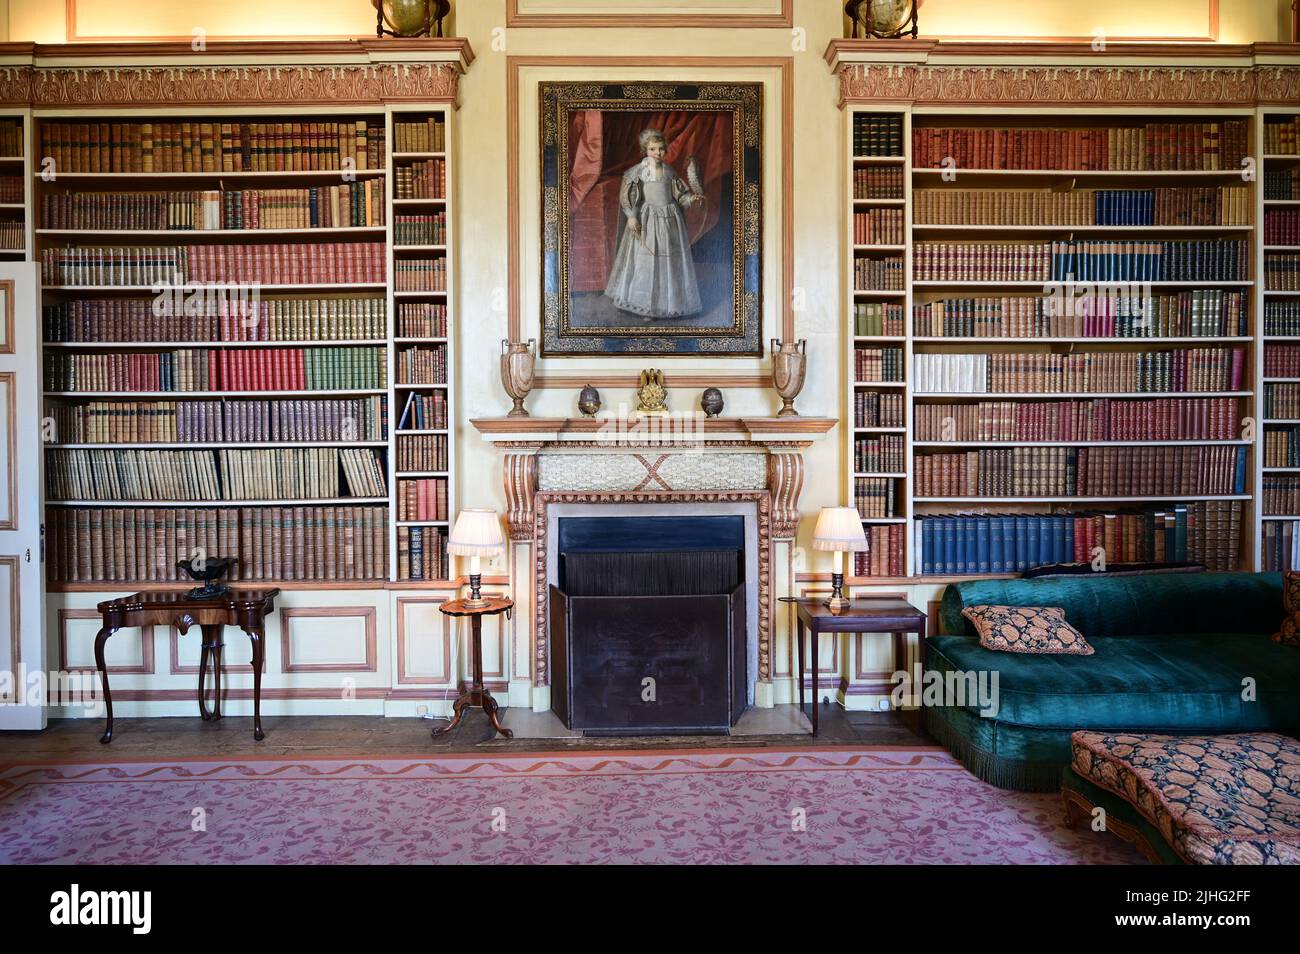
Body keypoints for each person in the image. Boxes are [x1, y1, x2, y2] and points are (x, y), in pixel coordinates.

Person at [604, 128, 704, 318]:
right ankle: (646, 307)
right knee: (646, 262)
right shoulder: (638, 171)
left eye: (661, 149)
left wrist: (692, 199)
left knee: (669, 262)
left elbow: (681, 195)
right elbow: (627, 195)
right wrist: (632, 216)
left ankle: (667, 305)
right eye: (652, 149)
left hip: (669, 221)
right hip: (647, 220)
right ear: (645, 150)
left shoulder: (669, 172)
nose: (657, 153)